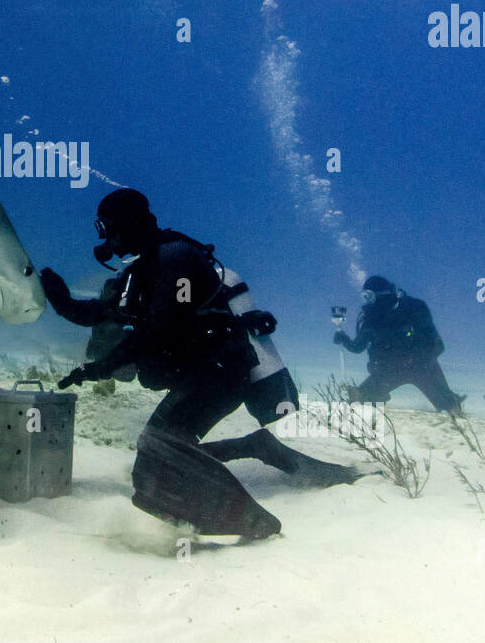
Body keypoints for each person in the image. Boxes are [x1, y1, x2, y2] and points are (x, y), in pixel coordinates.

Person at [41, 188, 360, 540]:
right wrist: (60, 301)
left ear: (128, 224)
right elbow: (102, 314)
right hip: (202, 373)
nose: (108, 242)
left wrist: (98, 368)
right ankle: (254, 447)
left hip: (223, 371)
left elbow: (157, 331)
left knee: (157, 444)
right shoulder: (141, 270)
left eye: (108, 229)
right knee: (161, 454)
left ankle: (249, 521)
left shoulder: (176, 259)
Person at [334, 276, 465, 415]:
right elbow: (357, 347)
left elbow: (437, 346)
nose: (367, 302)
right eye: (364, 297)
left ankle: (450, 400)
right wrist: (343, 338)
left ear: (382, 295)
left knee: (449, 408)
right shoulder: (370, 319)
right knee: (359, 402)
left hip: (421, 367)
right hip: (389, 371)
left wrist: (413, 358)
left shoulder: (413, 308)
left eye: (369, 297)